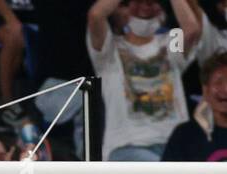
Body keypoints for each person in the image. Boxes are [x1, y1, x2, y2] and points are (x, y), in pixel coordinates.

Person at [86, 0, 202, 161]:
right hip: (127, 146)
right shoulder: (109, 49)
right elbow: (96, 15)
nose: (145, 6)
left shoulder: (170, 42)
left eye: (153, 2)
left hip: (174, 144)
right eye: (136, 2)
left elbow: (191, 29)